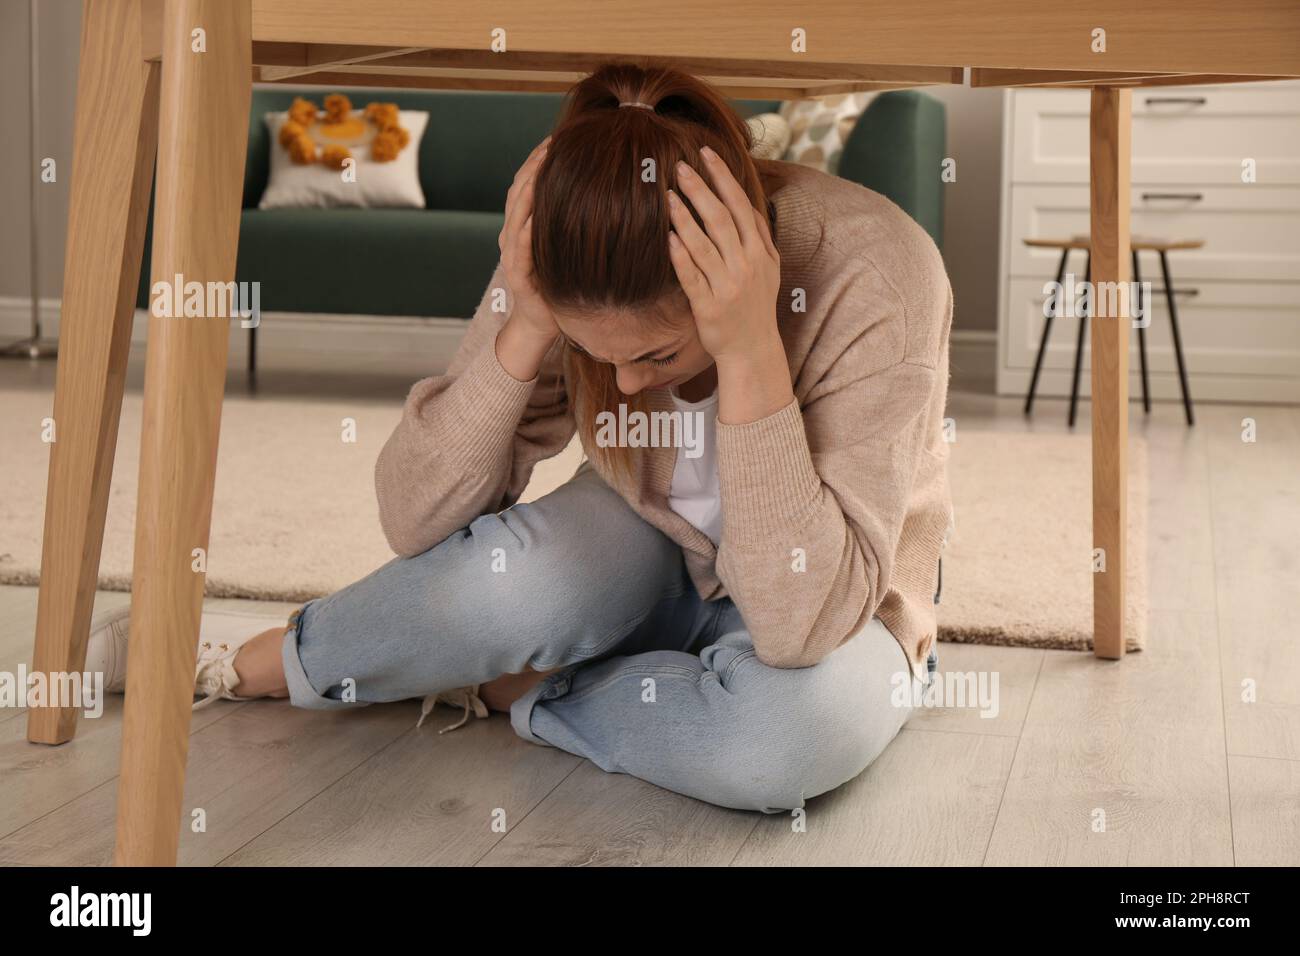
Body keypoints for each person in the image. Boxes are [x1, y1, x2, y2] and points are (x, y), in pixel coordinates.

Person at [89, 62, 954, 814]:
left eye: (656, 353)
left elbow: (804, 626)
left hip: (839, 601)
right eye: (595, 352)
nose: (622, 385)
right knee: (502, 585)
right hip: (652, 548)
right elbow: (416, 519)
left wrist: (751, 349)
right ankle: (261, 660)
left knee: (785, 741)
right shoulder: (560, 264)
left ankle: (524, 689)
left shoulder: (876, 272)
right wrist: (527, 321)